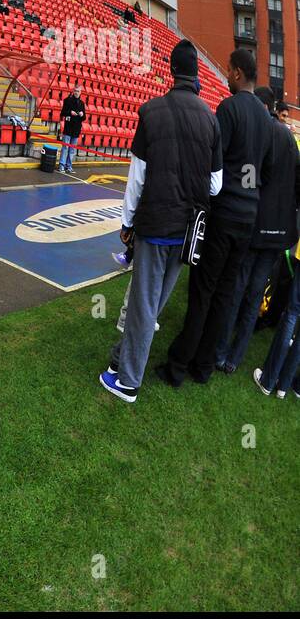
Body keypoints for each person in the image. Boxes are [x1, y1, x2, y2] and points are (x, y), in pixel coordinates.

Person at [100, 40, 223, 402]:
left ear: (171, 70)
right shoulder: (210, 119)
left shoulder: (151, 112)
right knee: (152, 304)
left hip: (156, 225)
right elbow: (215, 184)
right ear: (197, 72)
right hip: (188, 232)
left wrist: (126, 223)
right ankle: (120, 360)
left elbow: (137, 177)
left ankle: (128, 382)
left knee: (142, 304)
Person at [155, 47, 274, 388]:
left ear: (237, 73)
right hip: (247, 216)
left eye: (228, 70)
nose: (225, 75)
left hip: (223, 213)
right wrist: (245, 188)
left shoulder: (229, 108)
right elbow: (258, 170)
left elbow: (213, 160)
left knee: (203, 290)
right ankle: (203, 366)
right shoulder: (266, 121)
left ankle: (178, 365)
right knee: (225, 294)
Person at [216, 86, 300, 375]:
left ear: (263, 107)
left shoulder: (266, 134)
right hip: (279, 233)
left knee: (238, 288)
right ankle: (235, 358)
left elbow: (253, 177)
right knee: (254, 296)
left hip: (257, 225)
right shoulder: (292, 141)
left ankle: (220, 351)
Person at [59, 84, 85, 173]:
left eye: (78, 91)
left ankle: (69, 166)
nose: (76, 93)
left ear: (80, 92)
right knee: (65, 148)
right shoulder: (67, 100)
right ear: (73, 91)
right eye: (75, 91)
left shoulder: (82, 103)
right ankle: (61, 165)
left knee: (72, 150)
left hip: (76, 129)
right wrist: (70, 112)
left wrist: (82, 114)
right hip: (68, 128)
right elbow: (62, 113)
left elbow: (84, 118)